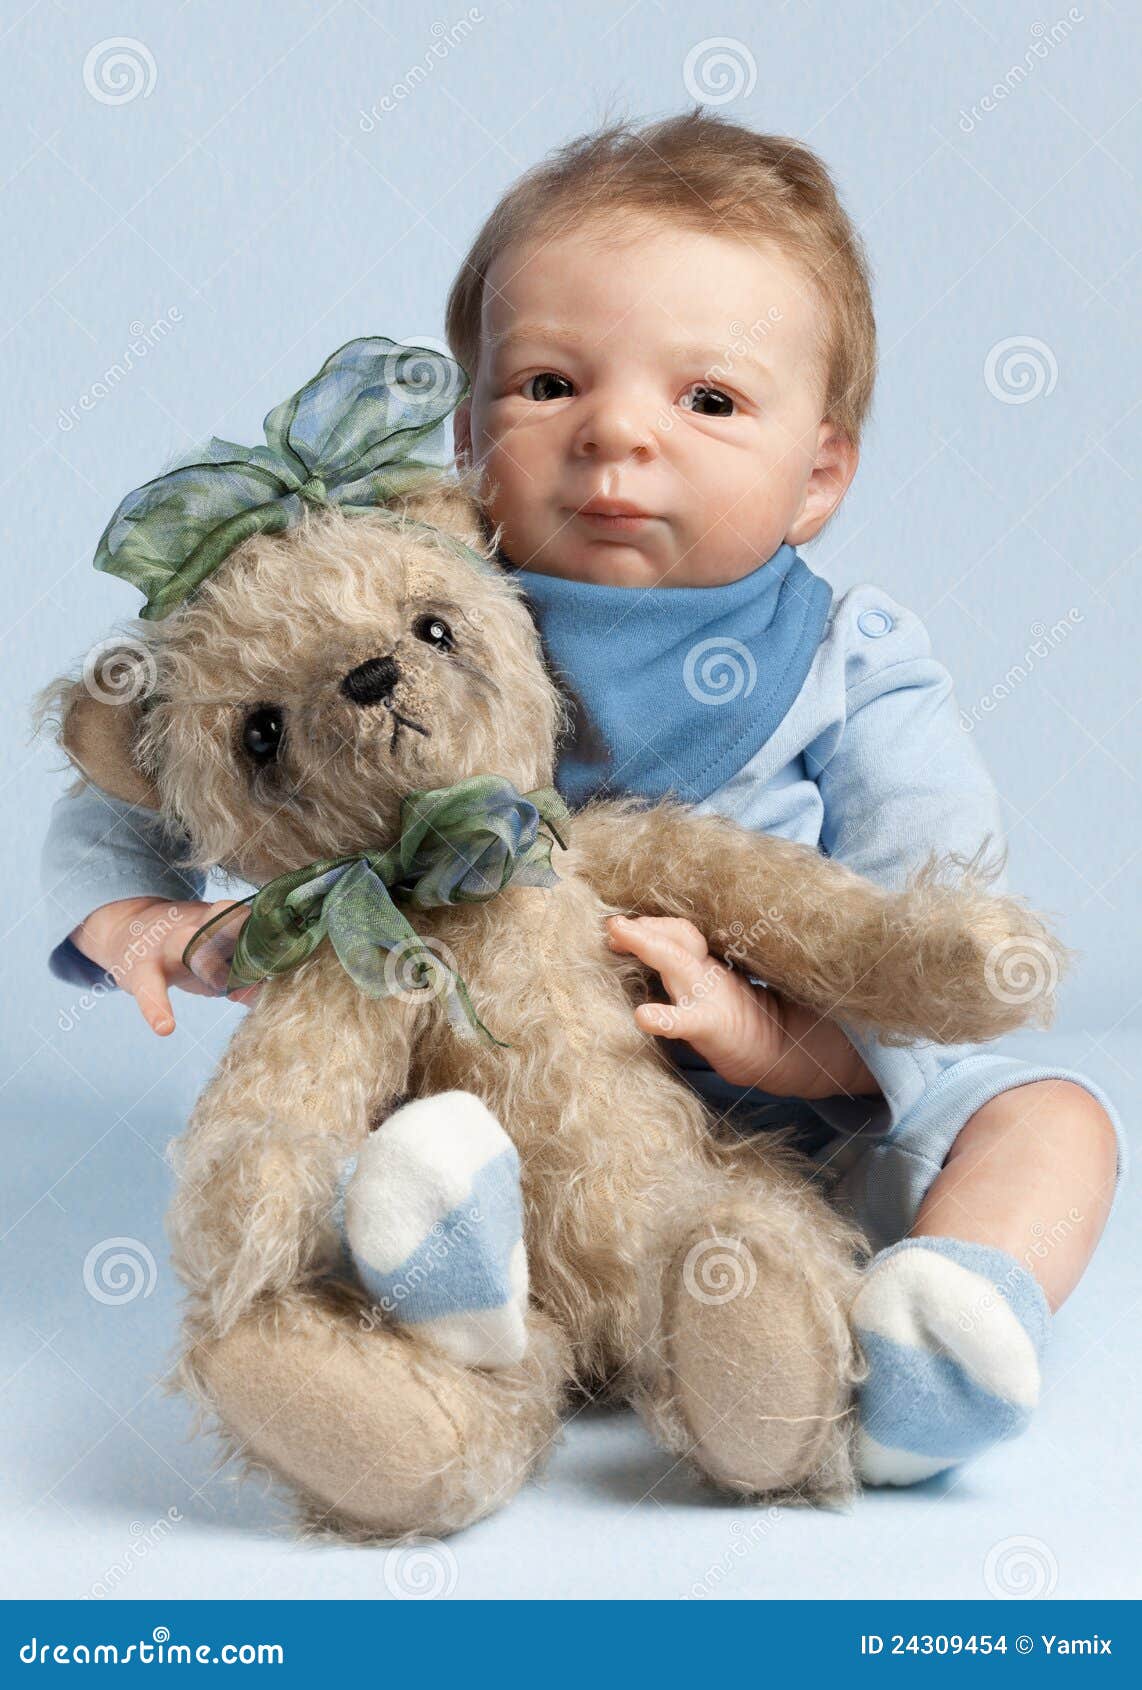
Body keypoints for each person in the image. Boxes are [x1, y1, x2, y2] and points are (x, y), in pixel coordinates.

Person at [43, 112, 1125, 1489]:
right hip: (504, 1090)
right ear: (465, 431)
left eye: (710, 401)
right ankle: (439, 1353)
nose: (615, 434)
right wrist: (126, 912)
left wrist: (794, 1046)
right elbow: (166, 725)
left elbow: (923, 926)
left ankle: (932, 1339)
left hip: (819, 1123)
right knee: (409, 1159)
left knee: (1050, 1118)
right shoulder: (408, 590)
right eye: (548, 383)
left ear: (817, 476)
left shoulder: (851, 663)